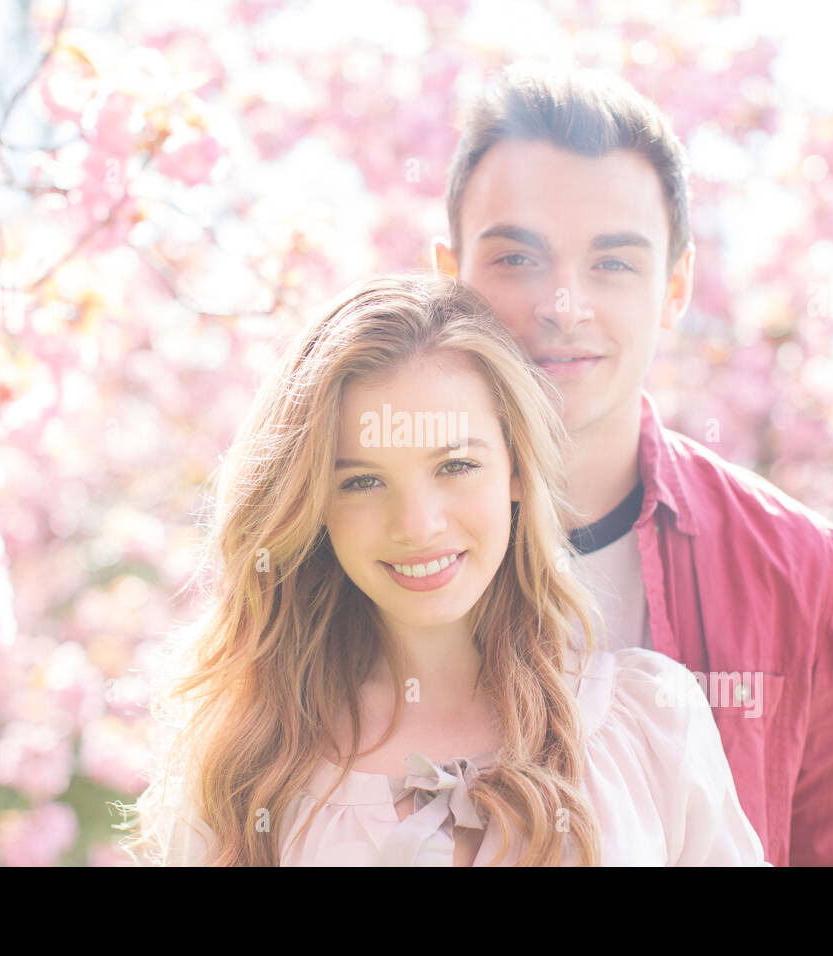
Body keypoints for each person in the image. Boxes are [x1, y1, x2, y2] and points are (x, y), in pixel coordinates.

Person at [124, 273, 769, 866]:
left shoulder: (651, 720)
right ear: (315, 504)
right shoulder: (248, 765)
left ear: (516, 469)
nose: (418, 524)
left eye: (455, 467)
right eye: (363, 482)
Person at [431, 63, 833, 866]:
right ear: (449, 277)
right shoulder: (354, 539)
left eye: (613, 263)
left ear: (675, 286)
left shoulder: (801, 570)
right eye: (517, 259)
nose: (563, 304)